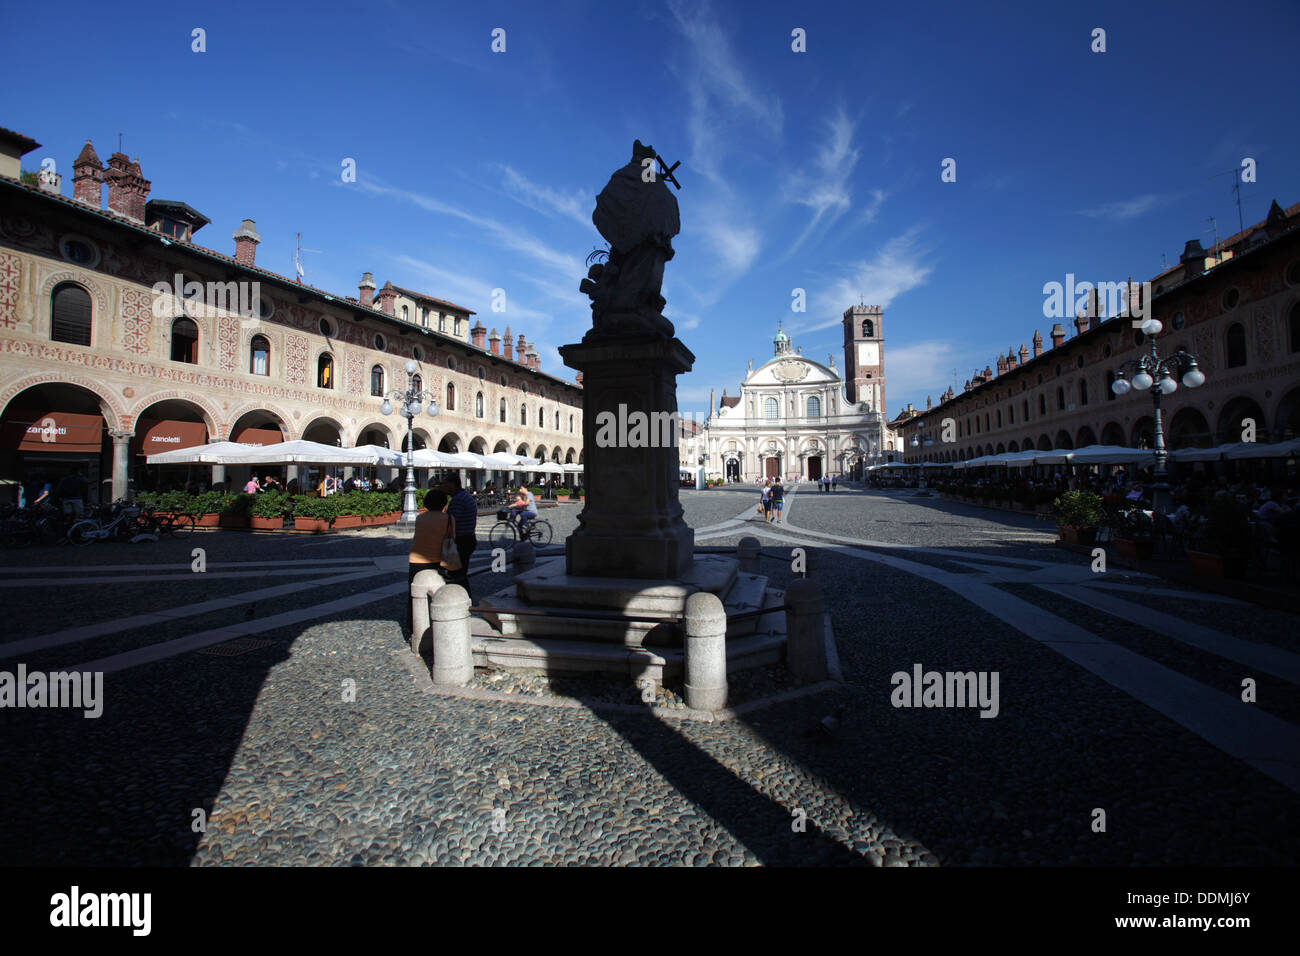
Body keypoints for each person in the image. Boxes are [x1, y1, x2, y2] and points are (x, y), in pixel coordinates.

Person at [407, 488, 451, 640]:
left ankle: (412, 626)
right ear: (444, 503)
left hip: (416, 560)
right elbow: (452, 539)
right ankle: (438, 625)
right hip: (437, 560)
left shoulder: (420, 517)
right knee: (438, 594)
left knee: (414, 596)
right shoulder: (448, 519)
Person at [441, 474, 480, 594]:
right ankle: (464, 598)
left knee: (457, 575)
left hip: (462, 541)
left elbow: (451, 521)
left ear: (453, 485)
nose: (443, 487)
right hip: (468, 538)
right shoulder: (464, 496)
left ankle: (463, 598)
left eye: (445, 484)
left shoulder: (458, 500)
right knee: (460, 573)